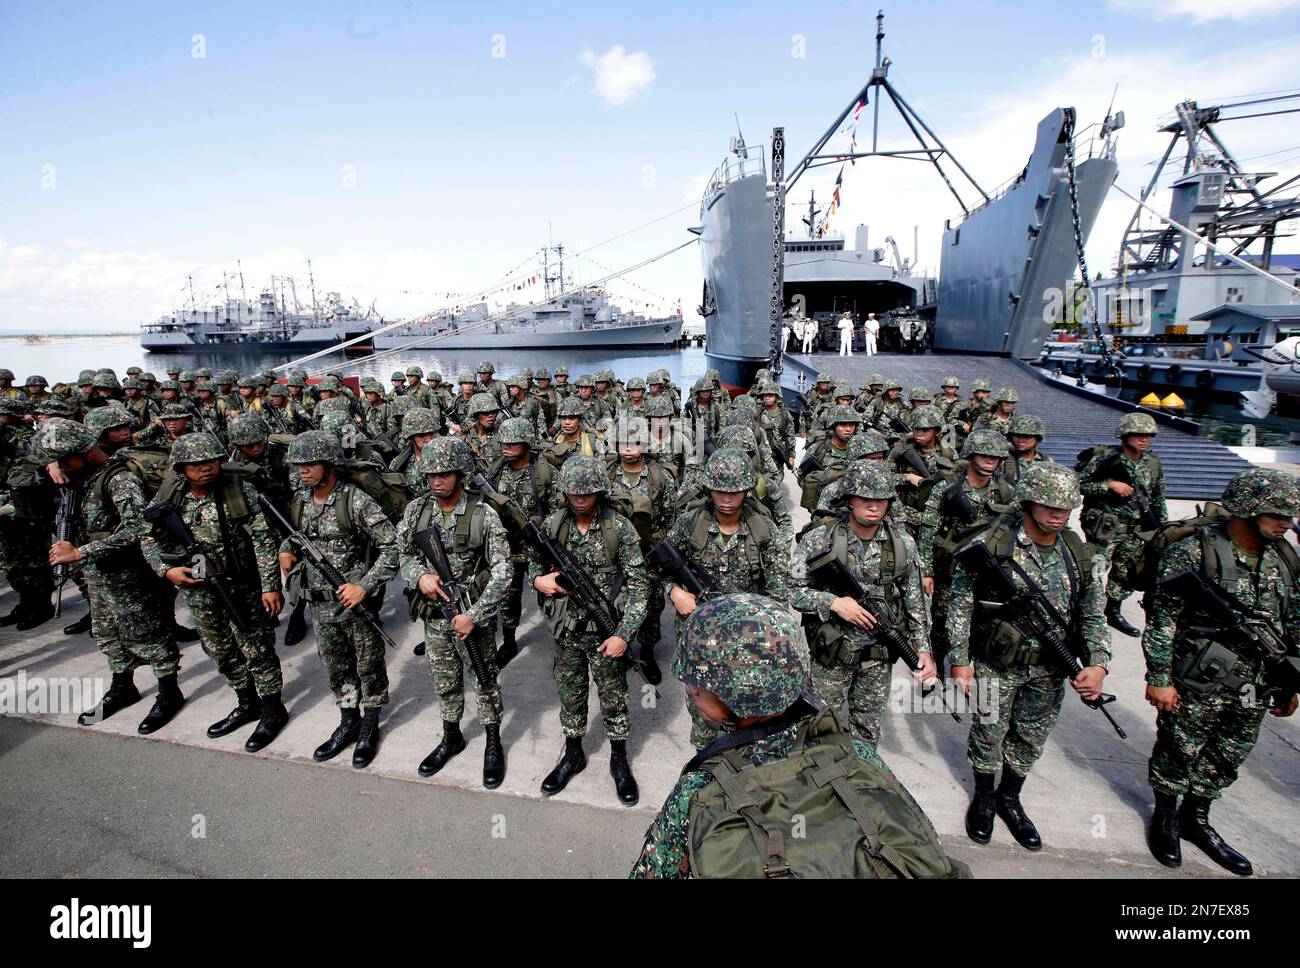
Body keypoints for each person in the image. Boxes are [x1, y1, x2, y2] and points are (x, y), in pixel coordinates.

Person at [629, 593, 967, 879]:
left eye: (699, 681)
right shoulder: (858, 754)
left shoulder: (697, 792)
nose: (692, 689)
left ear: (733, 694)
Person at [1141, 468, 1299, 876]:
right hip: (1200, 675)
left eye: (1289, 515)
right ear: (1247, 510)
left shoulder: (1284, 556)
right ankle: (1166, 817)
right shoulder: (1195, 551)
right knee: (1179, 747)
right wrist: (1159, 677)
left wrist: (1289, 680)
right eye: (1277, 514)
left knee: (1228, 753)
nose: (1287, 522)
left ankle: (1197, 818)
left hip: (1256, 683)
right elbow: (1162, 620)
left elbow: (1293, 620)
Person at [948, 463, 1111, 852]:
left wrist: (1099, 663)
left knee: (1030, 736)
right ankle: (985, 797)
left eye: (1064, 507)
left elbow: (1092, 613)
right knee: (988, 731)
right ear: (1029, 502)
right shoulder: (994, 542)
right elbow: (960, 600)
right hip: (996, 661)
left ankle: (1010, 797)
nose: (1057, 513)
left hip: (1050, 667)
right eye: (1048, 504)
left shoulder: (1079, 553)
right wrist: (959, 659)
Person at [141, 433, 289, 752]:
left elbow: (263, 541)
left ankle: (272, 708)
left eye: (210, 461)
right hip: (198, 588)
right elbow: (147, 537)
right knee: (219, 649)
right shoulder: (171, 496)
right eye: (195, 464)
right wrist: (165, 569)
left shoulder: (238, 491)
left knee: (257, 646)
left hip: (239, 584)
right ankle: (246, 700)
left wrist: (270, 586)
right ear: (181, 467)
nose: (205, 468)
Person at [36, 418, 184, 733]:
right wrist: (53, 466)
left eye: (66, 459)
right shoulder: (82, 478)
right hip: (99, 575)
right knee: (108, 634)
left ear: (85, 452)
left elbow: (138, 528)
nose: (63, 465)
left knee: (150, 635)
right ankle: (122, 686)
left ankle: (169, 692)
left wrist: (82, 553)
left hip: (129, 572)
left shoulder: (119, 479)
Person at [529, 455, 647, 804]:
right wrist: (540, 580)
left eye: (587, 493)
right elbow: (534, 567)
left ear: (599, 492)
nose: (580, 499)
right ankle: (573, 752)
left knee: (614, 699)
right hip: (566, 631)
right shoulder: (554, 524)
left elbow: (641, 588)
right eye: (573, 493)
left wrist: (622, 635)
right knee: (571, 695)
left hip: (605, 632)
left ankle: (619, 757)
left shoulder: (618, 528)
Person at [790, 460, 932, 751]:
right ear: (849, 499)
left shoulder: (903, 544)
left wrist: (923, 650)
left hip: (877, 659)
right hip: (831, 656)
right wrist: (834, 603)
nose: (873, 506)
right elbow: (792, 590)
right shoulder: (819, 539)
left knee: (866, 735)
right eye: (865, 498)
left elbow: (915, 603)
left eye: (880, 499)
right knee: (816, 729)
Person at [281, 431, 399, 769]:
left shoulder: (355, 502)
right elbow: (295, 536)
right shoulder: (301, 500)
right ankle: (348, 719)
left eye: (309, 463)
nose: (302, 470)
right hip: (320, 605)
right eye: (298, 464)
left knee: (369, 668)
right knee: (338, 669)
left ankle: (369, 725)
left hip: (356, 606)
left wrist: (364, 585)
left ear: (329, 464)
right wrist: (285, 551)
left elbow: (392, 547)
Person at [399, 437, 513, 786]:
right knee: (444, 680)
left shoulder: (483, 513)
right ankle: (452, 735)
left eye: (445, 474)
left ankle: (492, 739)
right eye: (432, 474)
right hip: (435, 616)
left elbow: (504, 569)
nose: (437, 481)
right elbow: (402, 554)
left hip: (470, 613)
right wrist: (421, 578)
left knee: (484, 679)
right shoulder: (417, 511)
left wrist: (474, 615)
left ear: (460, 475)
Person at [1078, 412, 1168, 638]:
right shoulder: (1106, 459)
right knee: (1096, 570)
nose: (1144, 439)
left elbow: (1158, 495)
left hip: (1136, 528)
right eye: (1138, 435)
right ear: (1125, 435)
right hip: (1107, 525)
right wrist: (1109, 485)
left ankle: (1113, 609)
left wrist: (1162, 527)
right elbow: (1081, 484)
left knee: (1126, 571)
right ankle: (1087, 612)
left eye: (1148, 436)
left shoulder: (1153, 462)